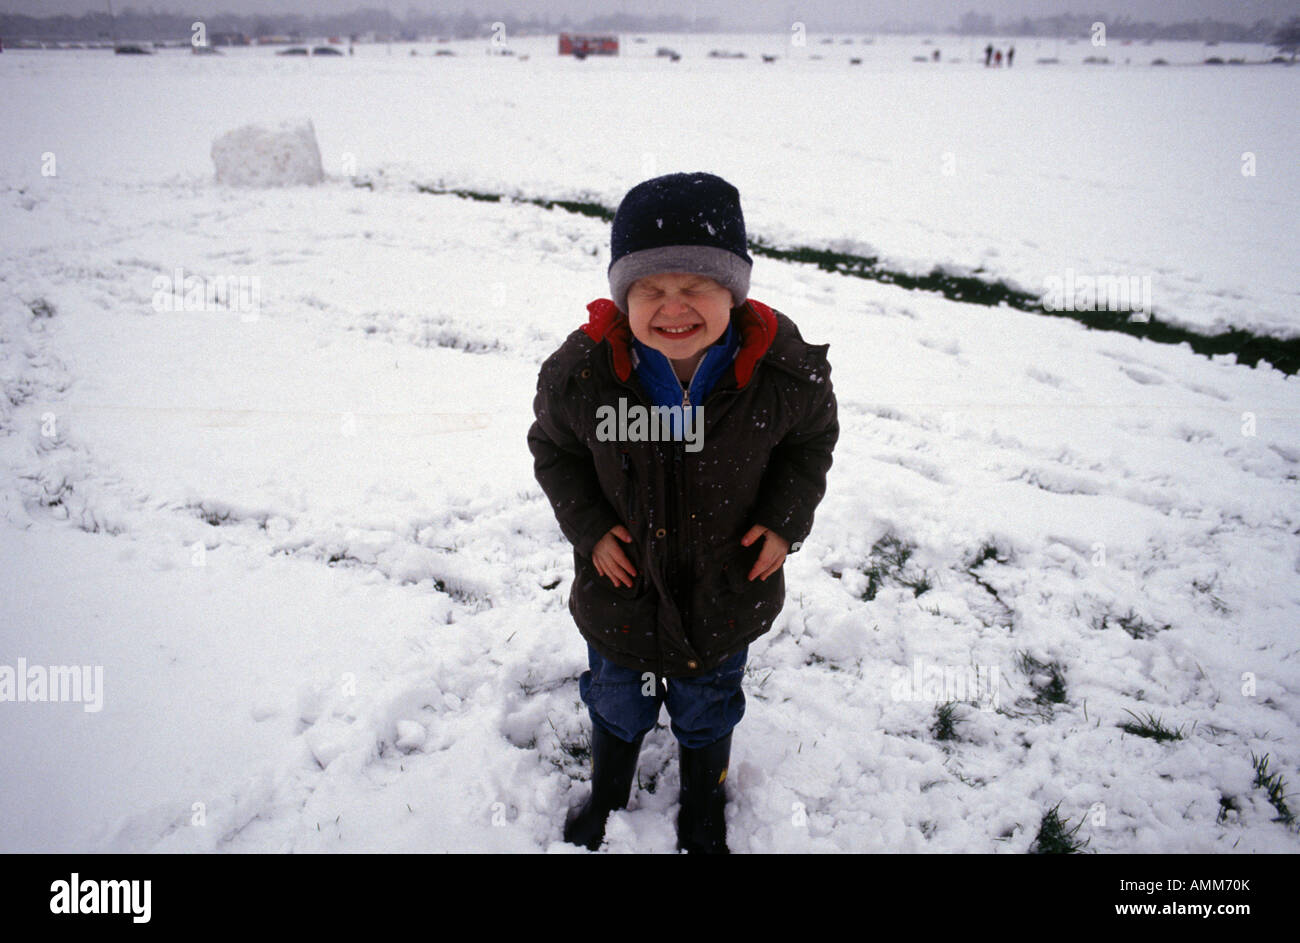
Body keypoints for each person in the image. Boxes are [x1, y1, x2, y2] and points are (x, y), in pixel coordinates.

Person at [528, 172, 838, 853]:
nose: (673, 307)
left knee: (708, 703)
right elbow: (554, 451)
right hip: (622, 591)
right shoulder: (584, 375)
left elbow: (810, 443)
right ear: (624, 295)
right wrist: (588, 526)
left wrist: (786, 520)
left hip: (725, 590)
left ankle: (704, 795)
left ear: (732, 289)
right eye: (649, 289)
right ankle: (610, 790)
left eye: (694, 285)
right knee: (618, 697)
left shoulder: (781, 375)